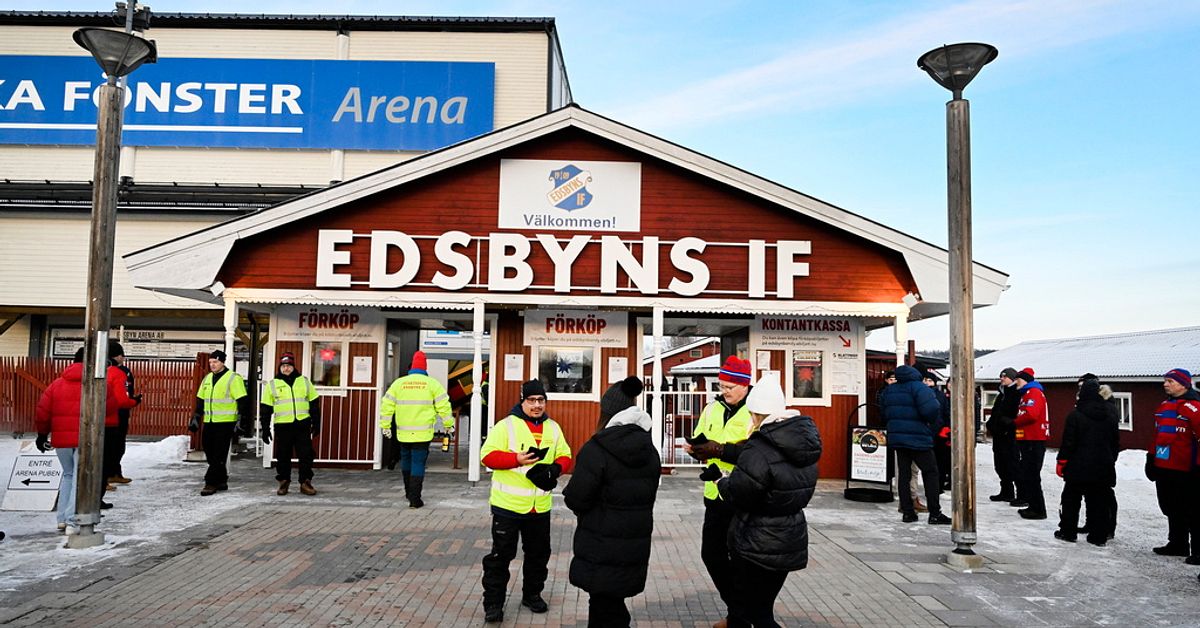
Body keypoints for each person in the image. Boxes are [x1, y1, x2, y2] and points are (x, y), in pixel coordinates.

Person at [717, 375, 821, 628]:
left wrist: (722, 482)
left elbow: (741, 493)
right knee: (764, 608)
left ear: (756, 413)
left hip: (757, 539)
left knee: (756, 613)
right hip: (790, 535)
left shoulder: (759, 448)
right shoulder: (805, 445)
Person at [563, 376, 660, 627]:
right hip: (633, 543)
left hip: (601, 543)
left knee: (606, 609)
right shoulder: (649, 450)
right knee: (611, 604)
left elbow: (577, 498)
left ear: (606, 414)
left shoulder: (596, 449)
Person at [479, 379, 573, 623]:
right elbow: (487, 456)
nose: (537, 405)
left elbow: (566, 455)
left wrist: (555, 469)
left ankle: (532, 595)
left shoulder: (553, 428)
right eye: (531, 400)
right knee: (500, 557)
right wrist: (516, 460)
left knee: (538, 555)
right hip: (507, 506)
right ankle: (493, 604)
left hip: (539, 506)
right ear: (522, 402)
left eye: (541, 400)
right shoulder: (505, 426)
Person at [684, 355, 755, 626]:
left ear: (745, 385)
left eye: (729, 387)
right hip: (714, 493)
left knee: (740, 559)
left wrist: (721, 450)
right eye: (721, 386)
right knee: (711, 554)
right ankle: (740, 611)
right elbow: (701, 436)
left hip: (742, 494)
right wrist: (697, 450)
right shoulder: (712, 408)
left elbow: (757, 452)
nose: (723, 392)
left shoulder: (756, 411)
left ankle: (738, 617)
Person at [35, 347, 134, 531]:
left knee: (68, 475)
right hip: (85, 438)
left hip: (61, 440)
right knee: (79, 479)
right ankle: (73, 520)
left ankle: (62, 519)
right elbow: (112, 407)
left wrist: (42, 435)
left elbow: (42, 411)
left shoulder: (56, 384)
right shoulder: (97, 384)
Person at [379, 350, 453, 508]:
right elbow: (444, 406)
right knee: (418, 462)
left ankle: (408, 493)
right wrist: (448, 425)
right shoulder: (432, 384)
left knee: (406, 460)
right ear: (425, 368)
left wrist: (385, 427)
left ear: (411, 367)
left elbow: (386, 406)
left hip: (403, 433)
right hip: (423, 434)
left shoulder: (399, 384)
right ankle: (415, 499)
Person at [880, 365, 950, 524]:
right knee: (931, 473)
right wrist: (930, 425)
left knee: (904, 475)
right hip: (919, 438)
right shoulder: (920, 388)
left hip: (898, 438)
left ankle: (908, 512)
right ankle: (935, 513)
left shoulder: (890, 390)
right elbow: (932, 409)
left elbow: (884, 413)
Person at [1054, 378, 1119, 546]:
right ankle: (1099, 536)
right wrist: (1111, 459)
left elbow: (1068, 442)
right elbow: (1115, 443)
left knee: (1071, 500)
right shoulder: (1110, 415)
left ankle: (1068, 532)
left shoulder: (1075, 415)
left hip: (1078, 465)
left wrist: (1062, 461)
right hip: (1103, 466)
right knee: (1099, 502)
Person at [1147, 368, 1200, 561]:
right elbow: (1158, 435)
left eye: (1170, 381)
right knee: (1171, 507)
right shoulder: (1164, 406)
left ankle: (1198, 551)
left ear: (1183, 384)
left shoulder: (1194, 407)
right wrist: (1151, 458)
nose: (1165, 384)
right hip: (1165, 467)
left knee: (1194, 511)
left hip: (1187, 468)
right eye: (1165, 380)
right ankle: (1178, 544)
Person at [187, 349, 251, 496]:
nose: (212, 365)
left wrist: (241, 420)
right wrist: (196, 416)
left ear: (222, 362)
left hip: (226, 422)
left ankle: (210, 482)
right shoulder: (207, 378)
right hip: (210, 421)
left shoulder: (233, 378)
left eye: (215, 362)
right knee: (209, 450)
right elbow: (200, 400)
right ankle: (222, 479)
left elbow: (242, 401)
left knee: (218, 454)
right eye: (210, 362)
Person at [260, 352, 321, 496]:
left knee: (306, 454)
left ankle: (305, 482)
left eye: (289, 366)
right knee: (283, 455)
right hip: (283, 425)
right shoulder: (273, 384)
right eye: (283, 366)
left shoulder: (304, 381)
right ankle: (284, 482)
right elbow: (266, 409)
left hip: (302, 424)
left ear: (294, 367)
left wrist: (316, 423)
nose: (286, 368)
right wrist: (265, 428)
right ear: (280, 367)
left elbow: (314, 404)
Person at [1012, 367, 1050, 519]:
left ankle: (1038, 509)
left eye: (1018, 380)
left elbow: (1031, 414)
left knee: (1032, 475)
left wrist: (1014, 423)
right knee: (1028, 474)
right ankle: (1033, 505)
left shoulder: (1033, 392)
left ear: (1025, 380)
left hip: (1033, 439)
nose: (1016, 383)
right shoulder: (1027, 393)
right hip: (1029, 438)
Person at [985, 367, 1021, 503]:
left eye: (1004, 377)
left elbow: (1014, 414)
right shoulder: (1001, 395)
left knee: (1012, 463)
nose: (1002, 379)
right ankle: (1006, 491)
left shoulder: (1016, 394)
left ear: (1012, 378)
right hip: (998, 435)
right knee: (1000, 464)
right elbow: (996, 412)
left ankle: (1021, 494)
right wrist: (990, 424)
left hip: (1009, 436)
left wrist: (1008, 425)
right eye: (1001, 377)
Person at [107, 341, 140, 487]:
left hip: (122, 411)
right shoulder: (113, 372)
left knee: (119, 444)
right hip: (114, 411)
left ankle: (115, 472)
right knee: (111, 444)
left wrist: (131, 400)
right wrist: (133, 402)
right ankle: (105, 476)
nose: (123, 358)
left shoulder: (125, 371)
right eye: (121, 355)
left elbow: (128, 390)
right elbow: (120, 397)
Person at [924, 371, 952, 491]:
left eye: (929, 381)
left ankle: (938, 486)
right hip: (924, 432)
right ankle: (930, 486)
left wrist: (946, 428)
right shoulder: (919, 393)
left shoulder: (940, 396)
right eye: (925, 380)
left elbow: (946, 413)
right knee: (927, 463)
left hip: (939, 433)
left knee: (939, 462)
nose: (927, 383)